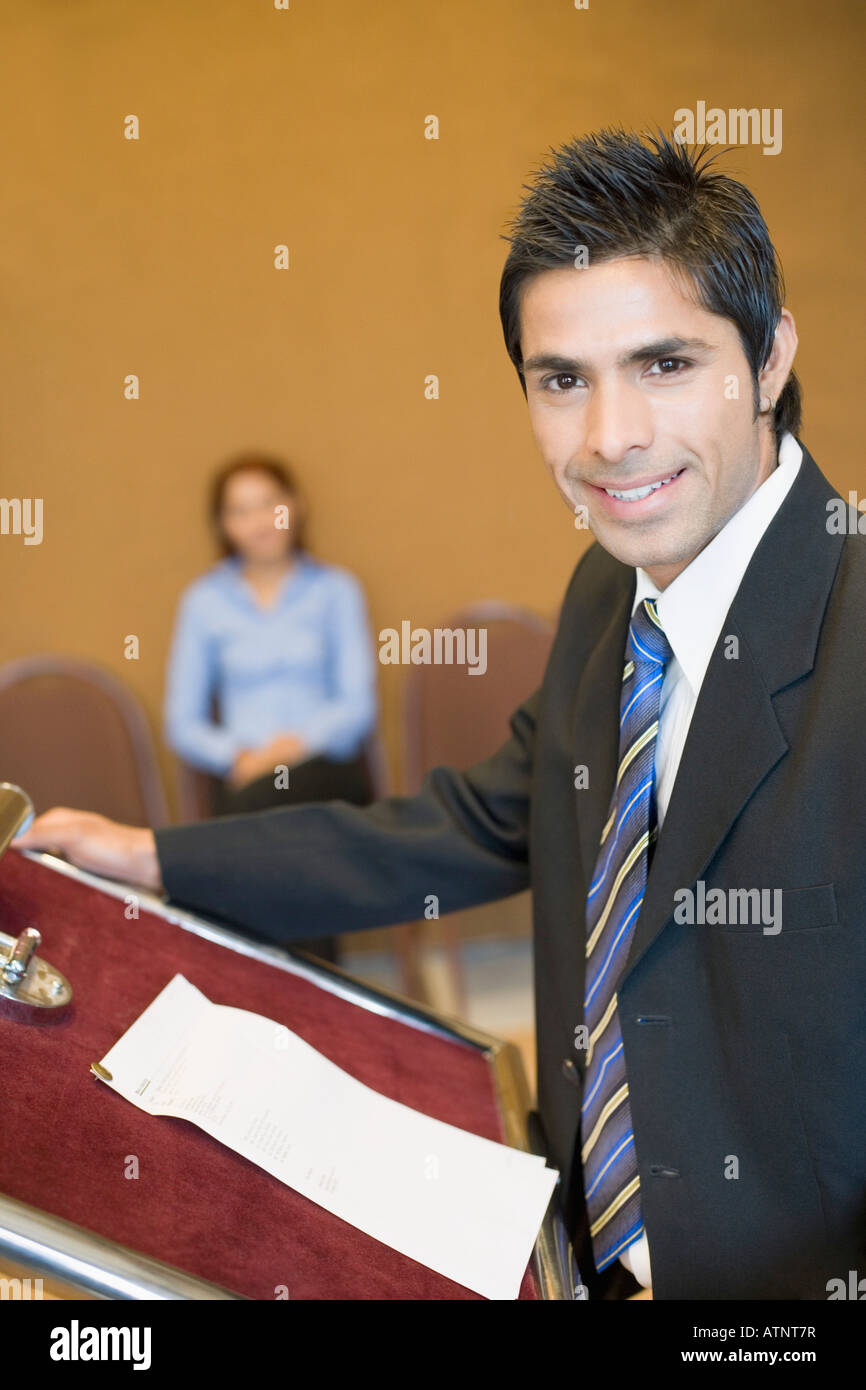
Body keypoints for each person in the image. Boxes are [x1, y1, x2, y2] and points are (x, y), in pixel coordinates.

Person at [16, 130, 865, 1301]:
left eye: (662, 364)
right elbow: (474, 821)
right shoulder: (604, 591)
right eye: (560, 379)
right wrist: (155, 855)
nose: (607, 436)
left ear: (767, 359)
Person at [164, 452, 379, 962]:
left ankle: (277, 993)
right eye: (241, 510)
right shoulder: (204, 602)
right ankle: (320, 984)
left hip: (326, 770)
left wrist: (283, 752)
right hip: (242, 773)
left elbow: (356, 708)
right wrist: (241, 757)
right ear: (223, 525)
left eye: (269, 504)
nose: (259, 522)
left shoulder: (335, 591)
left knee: (269, 822)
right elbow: (182, 722)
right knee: (287, 833)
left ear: (295, 507)